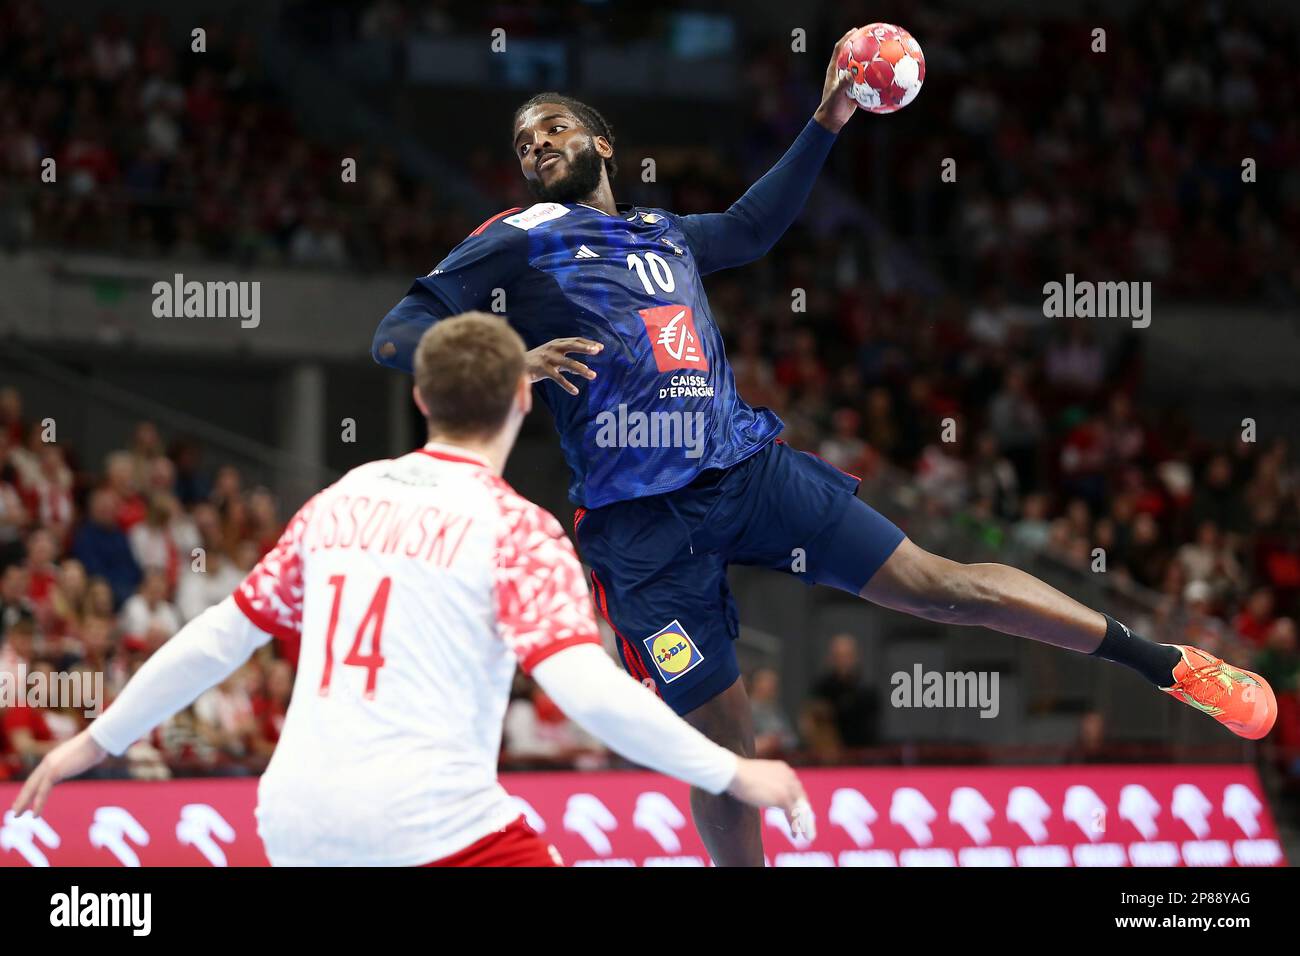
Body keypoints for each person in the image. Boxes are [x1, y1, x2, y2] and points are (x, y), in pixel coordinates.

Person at [371, 34, 1276, 865]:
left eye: (553, 128)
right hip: (640, 533)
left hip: (746, 470)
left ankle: (1168, 666)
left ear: (603, 145)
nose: (535, 147)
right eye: (524, 142)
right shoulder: (516, 242)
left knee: (945, 587)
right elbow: (396, 333)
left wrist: (826, 121)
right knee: (728, 752)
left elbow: (756, 229)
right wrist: (502, 360)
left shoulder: (662, 232)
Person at [12, 313, 811, 867]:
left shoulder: (339, 500)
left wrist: (95, 740)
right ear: (524, 397)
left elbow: (219, 636)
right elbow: (585, 690)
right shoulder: (517, 528)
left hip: (292, 820)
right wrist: (733, 771)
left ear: (422, 398)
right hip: (429, 825)